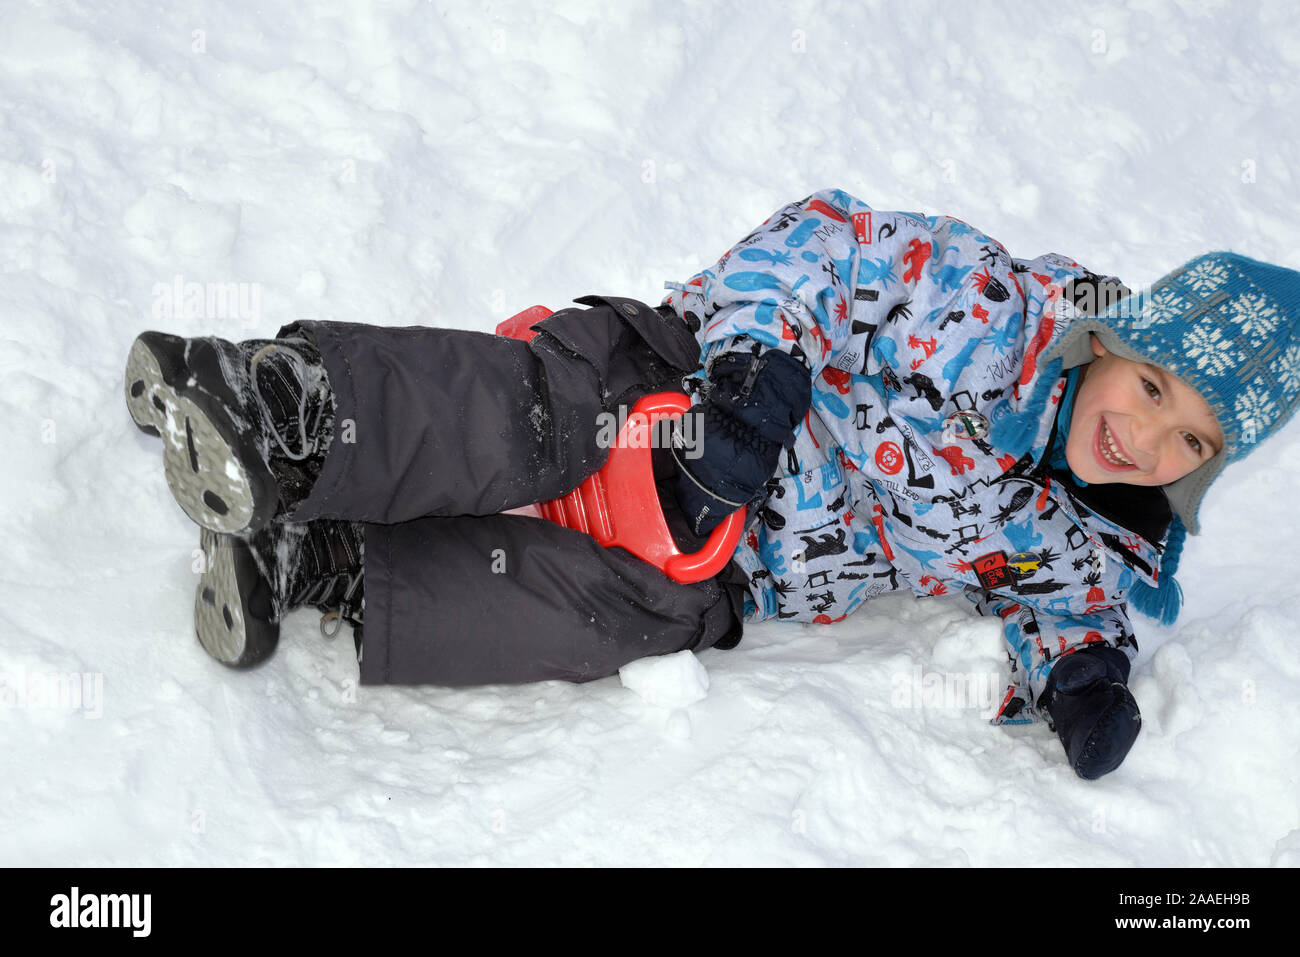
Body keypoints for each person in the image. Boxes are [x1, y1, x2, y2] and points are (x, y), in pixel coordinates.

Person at [124, 187, 1300, 780]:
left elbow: (1063, 603)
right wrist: (758, 367)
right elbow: (829, 241)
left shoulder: (1100, 537)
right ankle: (285, 411)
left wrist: (1082, 674)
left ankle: (330, 566)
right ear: (1115, 340)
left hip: (742, 561)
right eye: (1152, 389)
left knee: (622, 619)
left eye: (1189, 441)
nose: (1146, 441)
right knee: (546, 417)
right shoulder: (987, 310)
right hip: (695, 393)